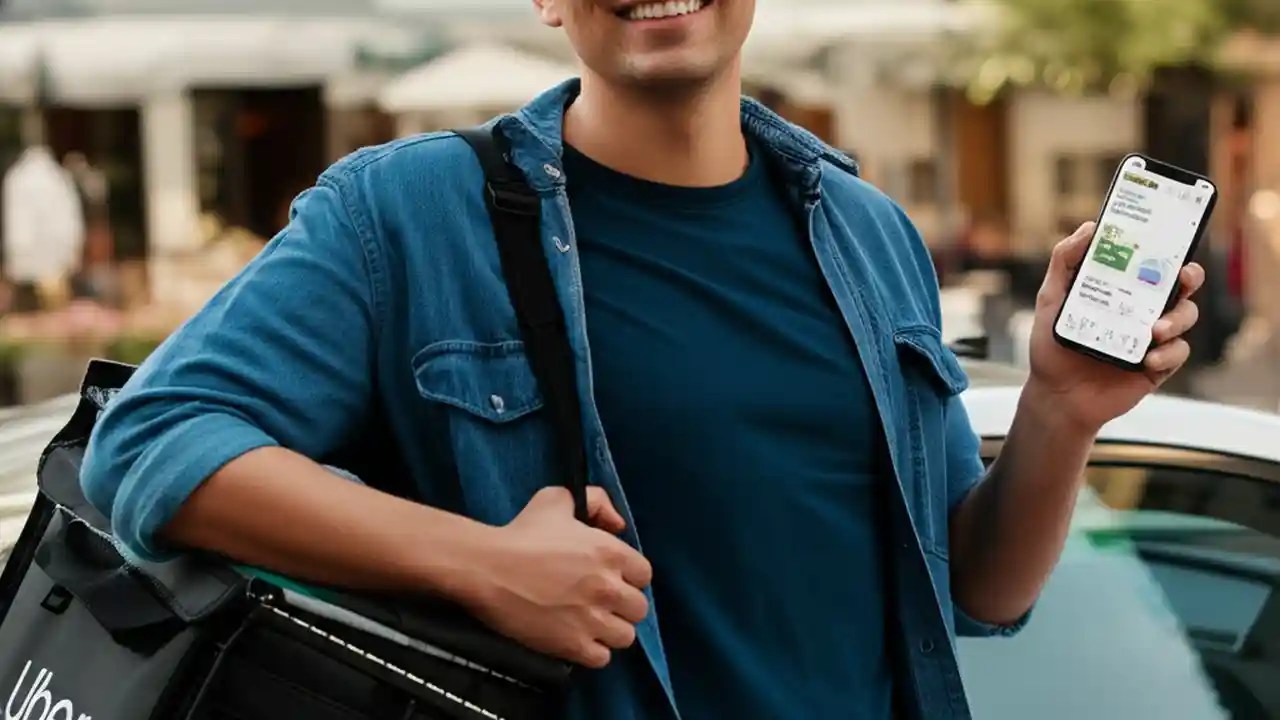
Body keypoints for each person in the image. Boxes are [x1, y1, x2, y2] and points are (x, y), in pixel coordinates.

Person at [80, 1, 1205, 718]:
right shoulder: (410, 213)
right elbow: (149, 445)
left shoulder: (867, 233)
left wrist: (1060, 412)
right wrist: (475, 561)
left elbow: (979, 591)